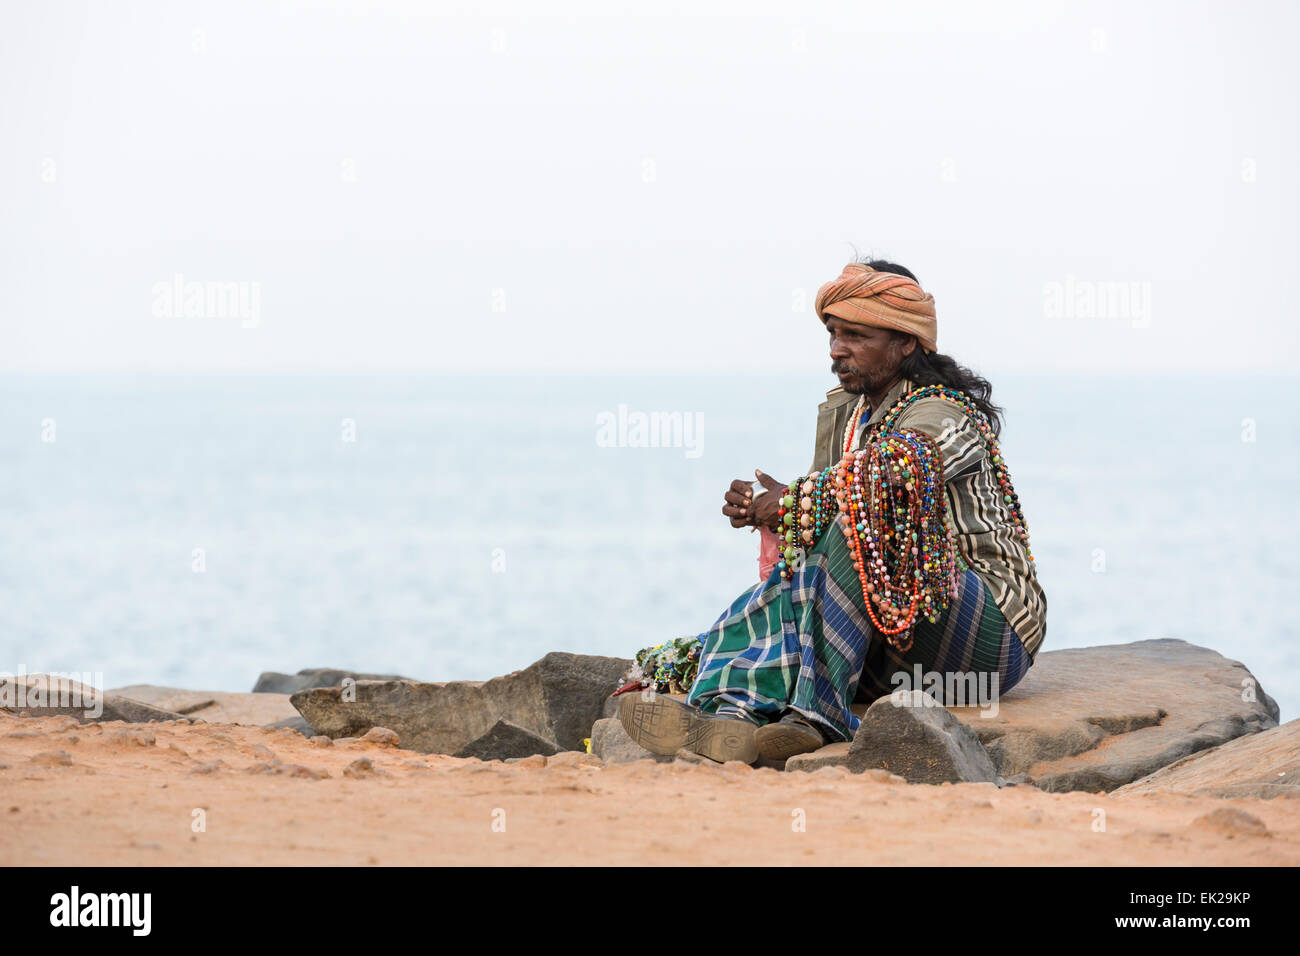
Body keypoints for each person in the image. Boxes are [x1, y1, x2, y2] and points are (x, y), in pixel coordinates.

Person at [618, 258, 1047, 765]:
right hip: (894, 643)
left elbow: (897, 470)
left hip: (986, 644)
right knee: (795, 579)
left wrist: (798, 499)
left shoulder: (945, 410)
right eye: (833, 333)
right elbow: (822, 542)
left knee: (874, 512)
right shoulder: (848, 415)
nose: (837, 349)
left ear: (906, 342)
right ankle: (732, 718)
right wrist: (776, 515)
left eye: (856, 336)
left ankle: (815, 718)